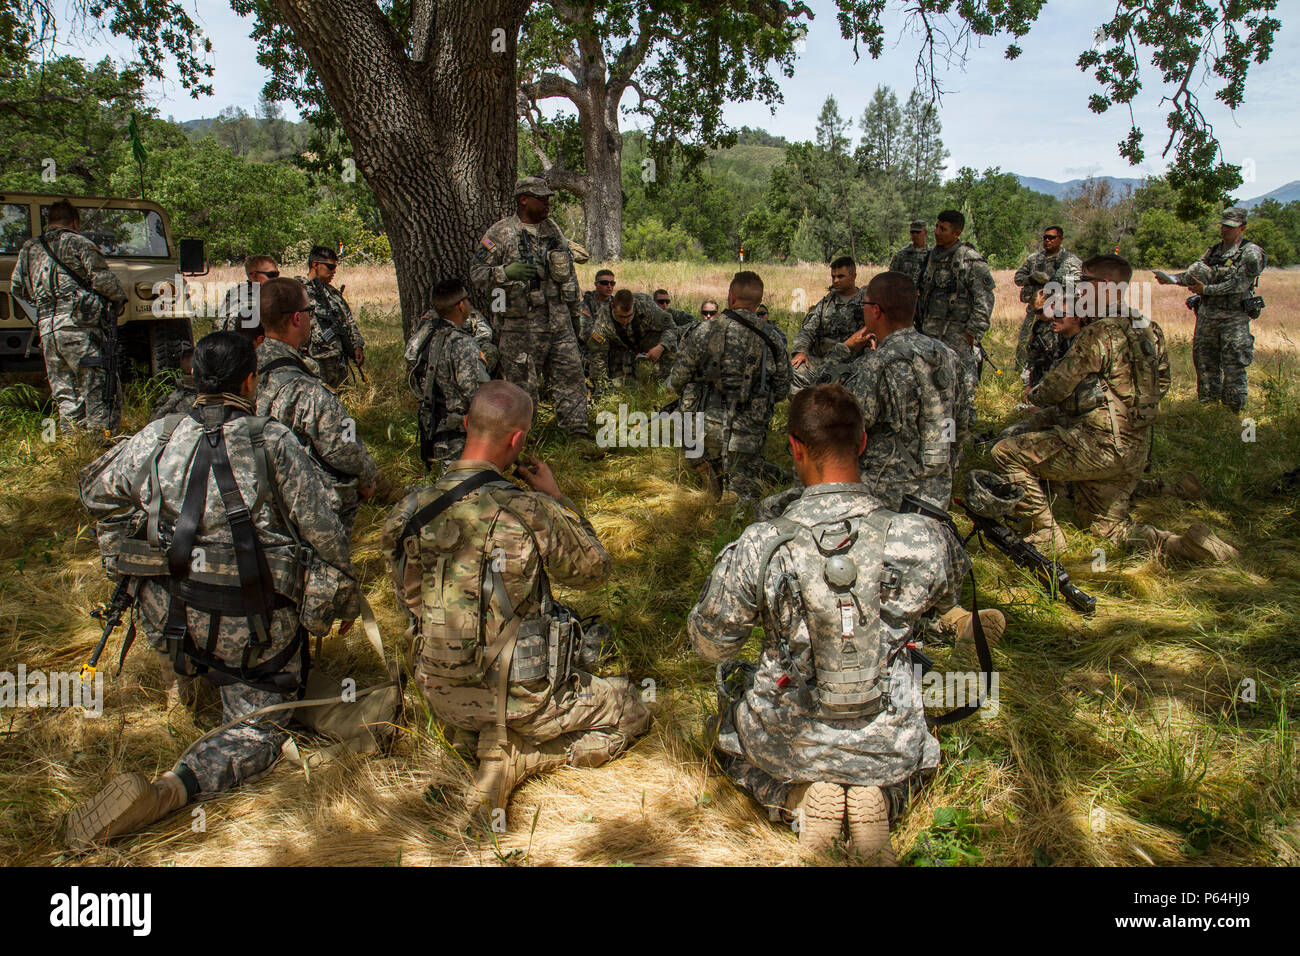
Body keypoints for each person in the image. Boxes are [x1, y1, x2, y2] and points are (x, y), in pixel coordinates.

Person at [68, 331, 359, 851]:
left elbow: (95, 493)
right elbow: (328, 539)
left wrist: (122, 561)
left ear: (196, 378)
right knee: (260, 729)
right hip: (252, 634)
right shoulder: (273, 442)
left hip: (168, 618)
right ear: (250, 381)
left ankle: (181, 678)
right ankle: (170, 789)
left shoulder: (157, 437)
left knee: (168, 583)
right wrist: (332, 605)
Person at [689, 384, 985, 862]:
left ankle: (796, 799)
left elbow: (711, 645)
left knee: (723, 732)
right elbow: (944, 604)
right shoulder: (925, 536)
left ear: (794, 447)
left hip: (788, 741)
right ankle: (882, 798)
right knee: (921, 752)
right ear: (864, 443)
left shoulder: (759, 543)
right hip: (889, 740)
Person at [381, 381, 650, 821]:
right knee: (634, 708)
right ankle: (528, 755)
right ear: (518, 440)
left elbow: (408, 602)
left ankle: (478, 739)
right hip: (523, 699)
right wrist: (557, 497)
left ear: (467, 424)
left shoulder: (408, 512)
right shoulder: (528, 510)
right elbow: (594, 570)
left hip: (440, 695)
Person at [991, 254, 1173, 551]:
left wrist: (1033, 395)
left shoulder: (1099, 333)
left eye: (1084, 283)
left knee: (1006, 453)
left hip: (1099, 446)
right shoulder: (1149, 328)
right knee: (1105, 530)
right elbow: (1162, 383)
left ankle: (1046, 534)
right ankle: (1180, 545)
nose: (1078, 290)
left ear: (1102, 287)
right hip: (1136, 446)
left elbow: (1054, 388)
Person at [469, 177, 598, 454]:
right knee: (522, 389)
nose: (547, 202)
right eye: (541, 198)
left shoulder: (553, 231)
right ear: (523, 199)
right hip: (519, 328)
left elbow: (569, 276)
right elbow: (477, 273)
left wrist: (577, 317)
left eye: (549, 197)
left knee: (571, 377)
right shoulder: (501, 232)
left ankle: (577, 435)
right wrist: (505, 272)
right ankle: (522, 444)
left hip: (559, 321)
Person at [253, 277, 379, 535]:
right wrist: (367, 477)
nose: (312, 318)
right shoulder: (307, 389)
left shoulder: (244, 370)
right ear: (298, 319)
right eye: (310, 312)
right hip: (300, 507)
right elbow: (344, 449)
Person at [668, 271, 791, 500]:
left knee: (676, 419)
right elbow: (783, 388)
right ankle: (743, 480)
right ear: (758, 302)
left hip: (703, 428)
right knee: (739, 492)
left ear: (731, 297)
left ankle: (703, 464)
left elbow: (677, 379)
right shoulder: (773, 338)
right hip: (748, 433)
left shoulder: (705, 330)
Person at [11, 198, 128, 434]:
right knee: (97, 386)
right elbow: (102, 280)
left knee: (66, 394)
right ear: (74, 222)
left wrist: (44, 301)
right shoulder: (78, 243)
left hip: (48, 331)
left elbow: (17, 287)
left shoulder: (29, 248)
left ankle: (73, 446)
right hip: (78, 327)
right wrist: (119, 300)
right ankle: (100, 445)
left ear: (50, 222)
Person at [1155, 206, 1266, 411]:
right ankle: (1207, 409)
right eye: (1223, 225)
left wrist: (1206, 289)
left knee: (1234, 364)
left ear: (1242, 228)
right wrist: (1172, 279)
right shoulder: (1214, 250)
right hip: (1207, 317)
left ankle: (1232, 412)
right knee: (1205, 363)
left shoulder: (1251, 253)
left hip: (1233, 319)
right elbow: (1195, 275)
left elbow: (1238, 285)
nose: (1225, 230)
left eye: (1230, 227)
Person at [916, 210, 995, 428]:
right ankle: (936, 426)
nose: (936, 232)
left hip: (958, 335)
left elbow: (985, 301)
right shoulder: (931, 257)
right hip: (930, 334)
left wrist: (972, 333)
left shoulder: (971, 261)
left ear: (957, 232)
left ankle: (963, 431)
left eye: (943, 229)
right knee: (931, 383)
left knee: (963, 384)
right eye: (936, 227)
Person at [406, 278, 490, 468]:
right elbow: (477, 395)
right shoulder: (463, 344)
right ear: (461, 306)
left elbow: (411, 359)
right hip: (458, 436)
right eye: (467, 299)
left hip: (431, 427)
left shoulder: (424, 336)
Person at [1013, 226, 1082, 383]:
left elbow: (1077, 289)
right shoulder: (1033, 259)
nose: (1047, 240)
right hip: (1034, 313)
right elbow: (1018, 278)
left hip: (1057, 316)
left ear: (1061, 239)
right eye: (1045, 237)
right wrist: (1032, 278)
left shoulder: (1071, 262)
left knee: (1054, 348)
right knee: (1025, 344)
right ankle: (1022, 379)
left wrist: (1055, 287)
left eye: (1051, 237)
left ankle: (1051, 379)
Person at [790, 256, 867, 394]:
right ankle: (805, 411)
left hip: (853, 363)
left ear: (853, 276)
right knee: (795, 369)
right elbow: (807, 330)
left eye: (840, 276)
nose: (836, 280)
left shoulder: (866, 302)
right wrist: (800, 352)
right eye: (833, 277)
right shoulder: (826, 302)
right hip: (824, 361)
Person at [301, 245, 365, 389]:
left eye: (335, 267)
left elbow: (348, 320)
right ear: (315, 265)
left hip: (338, 364)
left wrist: (357, 346)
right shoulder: (299, 291)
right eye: (330, 267)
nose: (334, 271)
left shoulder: (333, 294)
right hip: (314, 364)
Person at [587, 289, 675, 389]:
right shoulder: (602, 321)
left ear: (634, 305)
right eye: (620, 316)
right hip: (618, 348)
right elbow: (598, 357)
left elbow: (671, 328)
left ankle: (658, 385)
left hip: (643, 339)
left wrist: (660, 347)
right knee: (623, 386)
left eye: (629, 316)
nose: (625, 320)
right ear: (612, 306)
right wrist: (600, 386)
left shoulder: (646, 306)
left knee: (669, 346)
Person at [215, 255, 280, 332]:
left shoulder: (264, 292)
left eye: (277, 274)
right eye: (271, 275)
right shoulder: (242, 297)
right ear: (254, 276)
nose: (276, 279)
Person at [578, 268, 616, 351]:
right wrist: (605, 342)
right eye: (604, 283)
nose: (609, 286)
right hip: (592, 347)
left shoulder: (616, 304)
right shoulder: (586, 305)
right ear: (596, 284)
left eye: (612, 283)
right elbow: (586, 333)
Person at [888, 220, 930, 288]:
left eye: (918, 232)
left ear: (925, 232)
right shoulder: (901, 256)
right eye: (912, 232)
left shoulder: (932, 255)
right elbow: (891, 278)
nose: (915, 234)